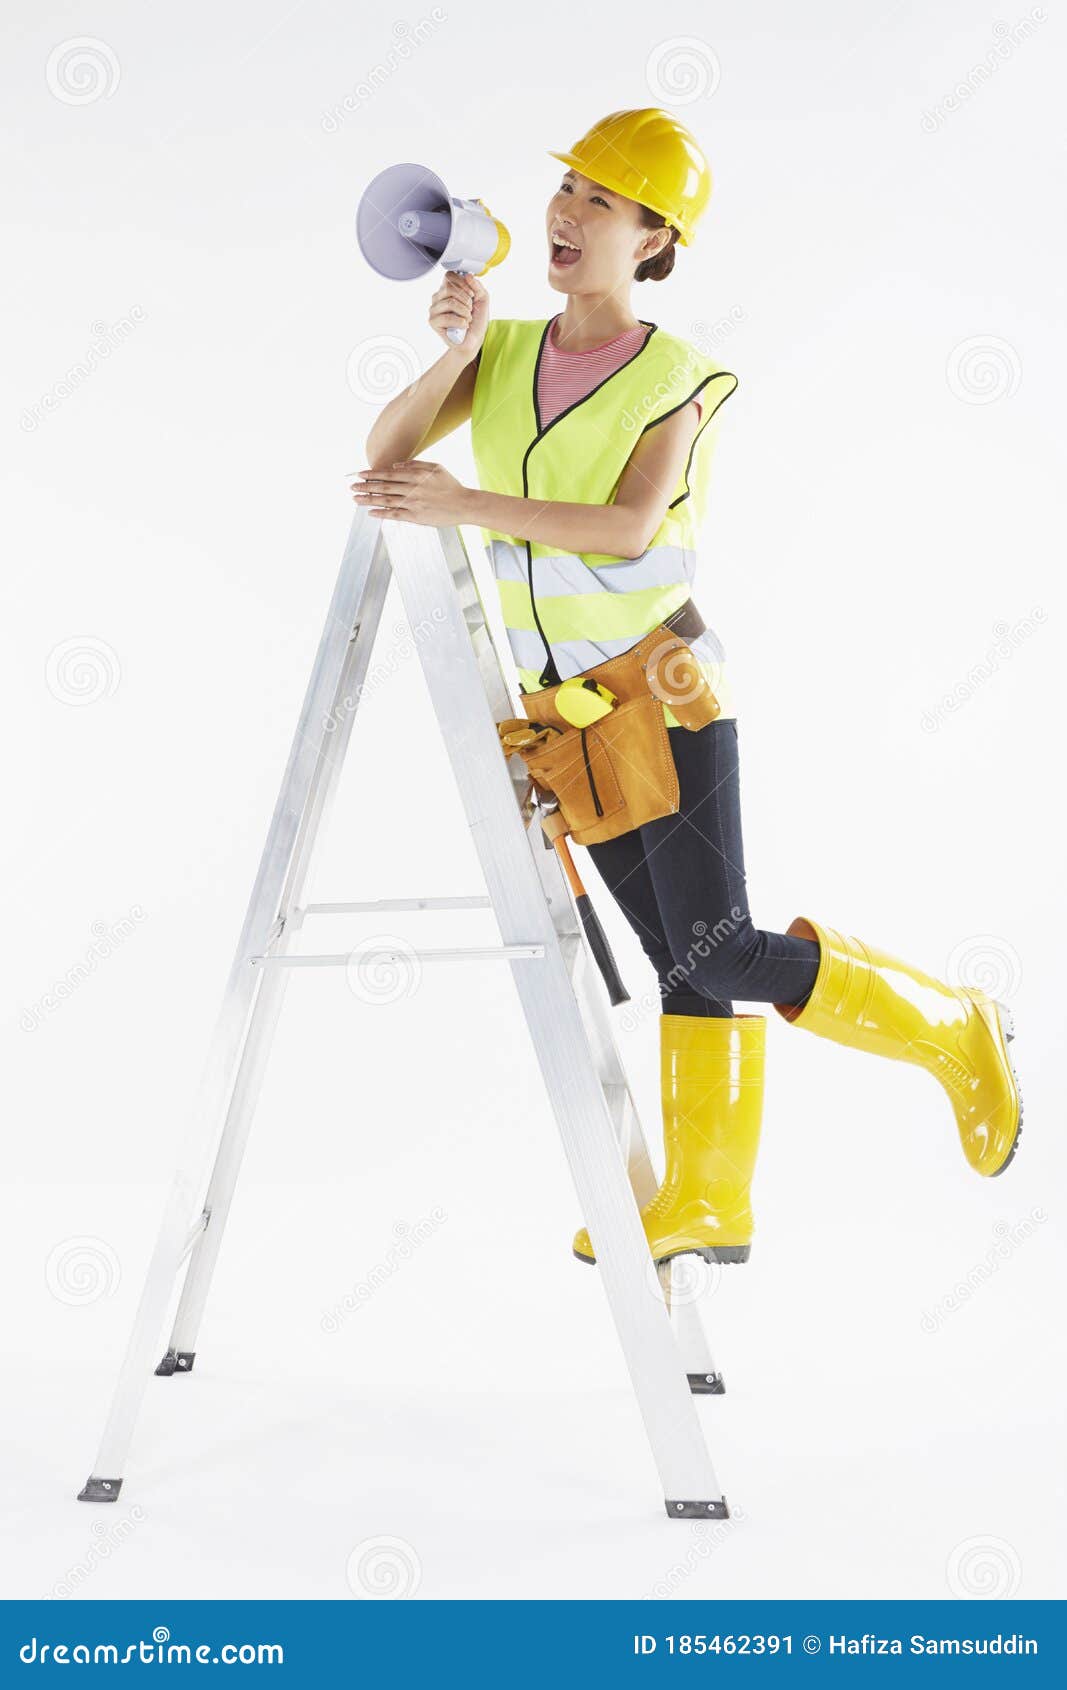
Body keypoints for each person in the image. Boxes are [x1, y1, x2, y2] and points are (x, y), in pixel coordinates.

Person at [351, 108, 1022, 1270]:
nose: (564, 211)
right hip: (567, 713)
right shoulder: (504, 351)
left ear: (654, 242)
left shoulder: (682, 375)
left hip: (665, 683)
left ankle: (953, 1028)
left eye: (600, 201)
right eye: (565, 186)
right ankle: (709, 1199)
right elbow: (384, 458)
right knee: (679, 958)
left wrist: (465, 503)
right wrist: (453, 356)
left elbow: (621, 529)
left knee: (711, 946)